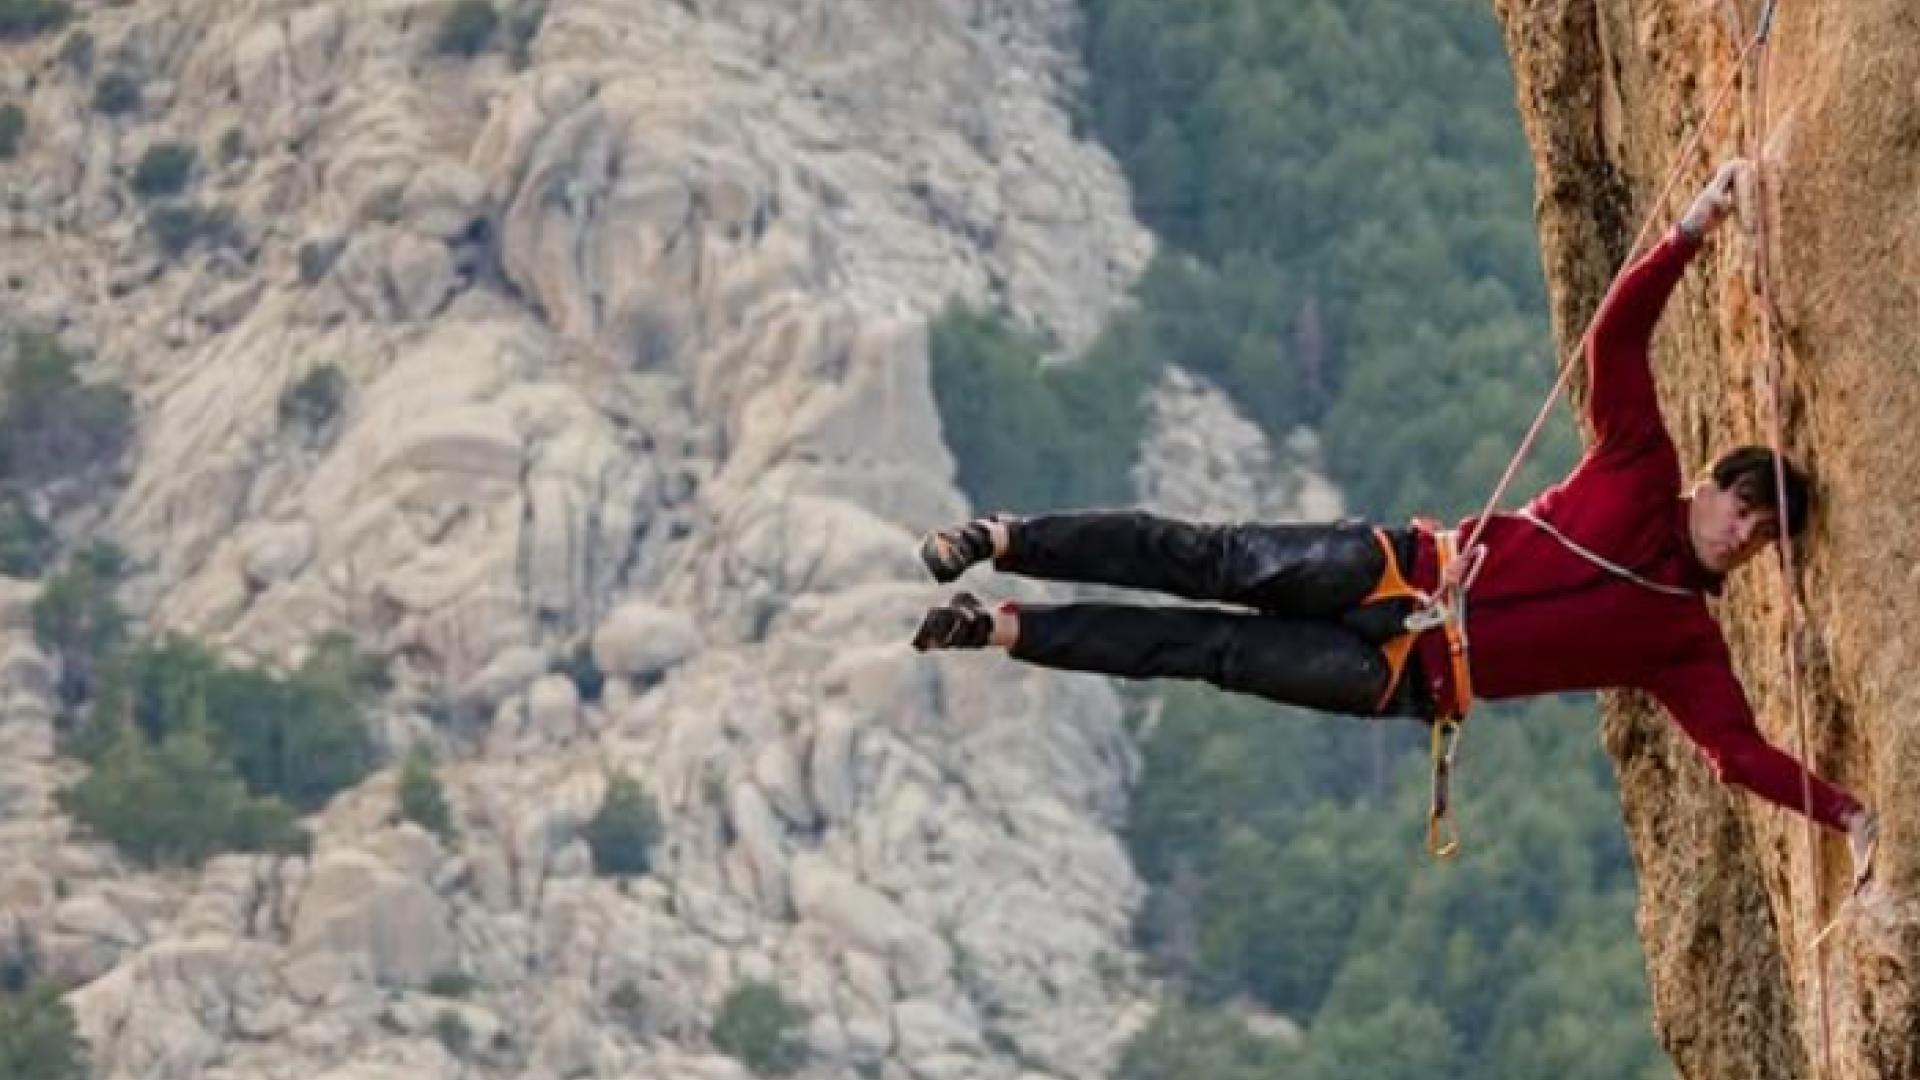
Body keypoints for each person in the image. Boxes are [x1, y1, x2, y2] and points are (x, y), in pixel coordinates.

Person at [910, 159, 1876, 885]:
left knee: (1202, 650)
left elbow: (1737, 754)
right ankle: (1001, 538)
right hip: (1396, 570)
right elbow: (1616, 337)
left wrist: (1847, 816)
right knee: (1204, 559)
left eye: (1761, 538)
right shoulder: (1639, 464)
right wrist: (1693, 228)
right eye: (1744, 508)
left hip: (1403, 674)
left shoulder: (1683, 644)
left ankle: (1000, 627)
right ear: (1710, 485)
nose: (1742, 535)